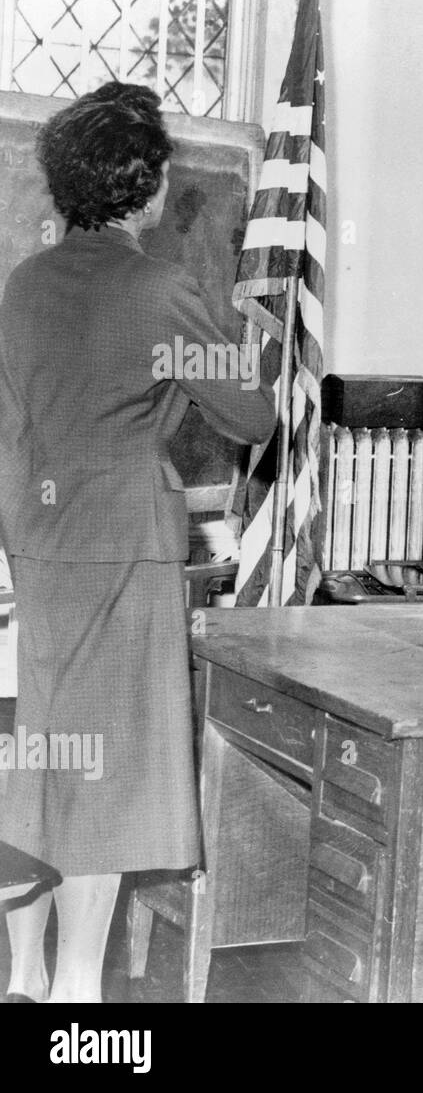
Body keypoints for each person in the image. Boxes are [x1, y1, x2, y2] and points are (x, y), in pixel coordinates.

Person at [0, 82, 275, 1003]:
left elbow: (7, 432)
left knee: (46, 751)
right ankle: (78, 993)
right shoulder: (162, 288)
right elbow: (250, 414)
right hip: (124, 544)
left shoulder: (25, 282)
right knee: (109, 768)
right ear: (147, 185)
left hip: (37, 545)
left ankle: (24, 975)